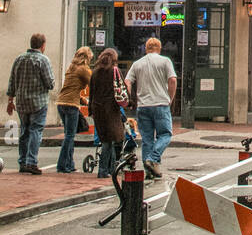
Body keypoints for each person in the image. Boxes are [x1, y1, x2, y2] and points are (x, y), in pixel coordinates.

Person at [127, 35, 177, 180]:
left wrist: (129, 98)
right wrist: (170, 98)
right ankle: (153, 159)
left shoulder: (138, 63)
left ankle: (149, 170)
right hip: (161, 103)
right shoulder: (165, 61)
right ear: (159, 49)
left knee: (147, 139)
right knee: (165, 134)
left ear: (146, 49)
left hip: (143, 105)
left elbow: (127, 81)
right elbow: (172, 80)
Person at [6, 33, 55, 175]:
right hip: (38, 101)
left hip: (21, 101)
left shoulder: (19, 59)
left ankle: (22, 161)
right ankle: (31, 161)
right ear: (43, 45)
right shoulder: (43, 60)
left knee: (24, 131)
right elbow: (50, 83)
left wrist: (10, 100)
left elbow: (12, 81)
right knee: (35, 130)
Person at [89, 48, 125, 178]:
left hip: (97, 109)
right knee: (109, 140)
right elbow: (121, 89)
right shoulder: (115, 71)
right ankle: (104, 170)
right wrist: (127, 103)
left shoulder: (95, 72)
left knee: (107, 138)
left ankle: (112, 168)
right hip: (111, 109)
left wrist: (90, 110)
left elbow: (91, 92)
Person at [56, 46, 92, 173]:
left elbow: (71, 89)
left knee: (68, 135)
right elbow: (94, 83)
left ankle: (69, 164)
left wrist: (83, 101)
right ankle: (62, 165)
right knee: (70, 136)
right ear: (87, 58)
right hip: (71, 105)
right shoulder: (83, 69)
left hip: (61, 103)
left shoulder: (71, 67)